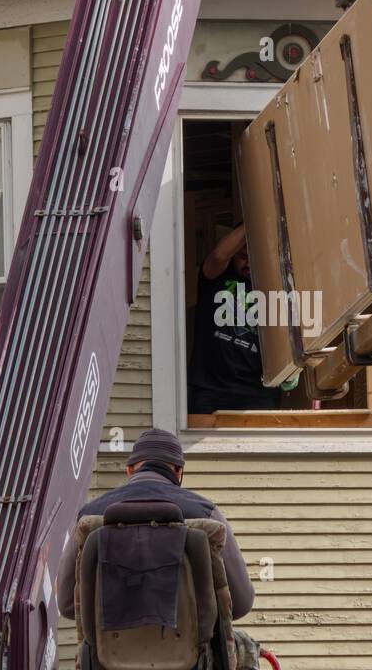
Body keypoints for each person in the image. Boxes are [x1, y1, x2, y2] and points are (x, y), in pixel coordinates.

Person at [56, 426, 254, 620]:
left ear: (129, 470)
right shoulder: (206, 514)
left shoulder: (90, 515)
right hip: (191, 652)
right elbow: (241, 603)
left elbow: (66, 604)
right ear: (179, 472)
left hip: (110, 652)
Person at [188, 223, 296, 415]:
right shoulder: (214, 277)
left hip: (259, 394)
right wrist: (255, 219)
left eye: (254, 258)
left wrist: (291, 372)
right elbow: (219, 256)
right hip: (211, 391)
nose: (248, 264)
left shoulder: (276, 287)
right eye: (243, 257)